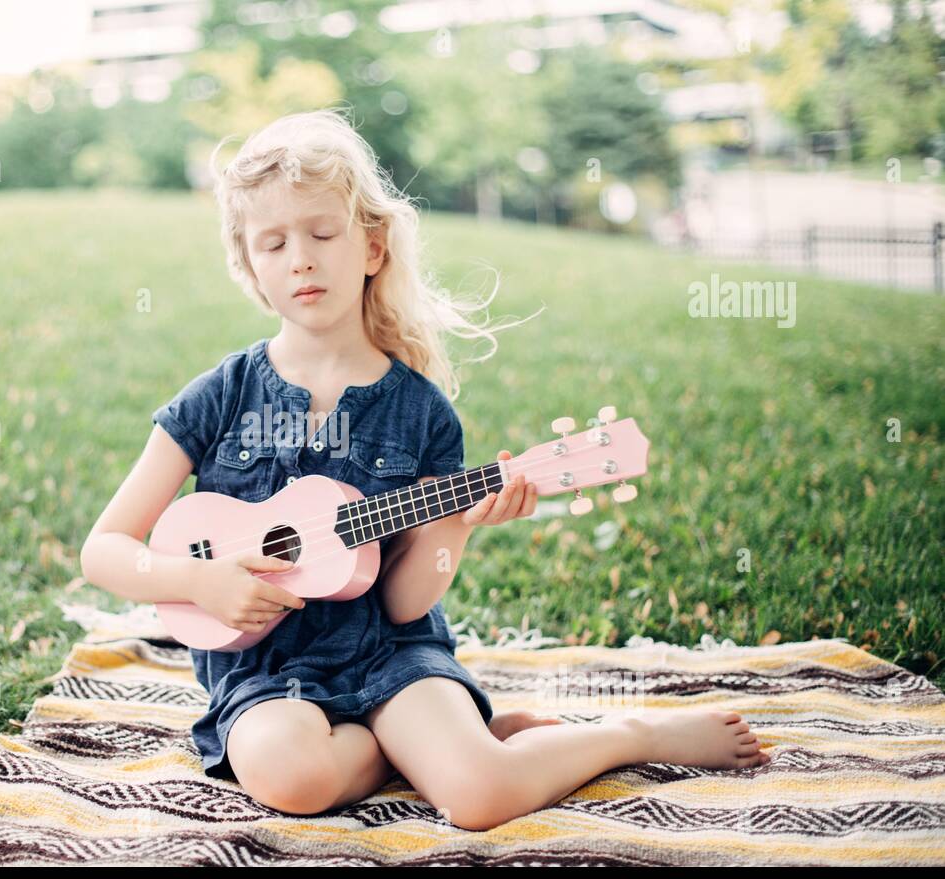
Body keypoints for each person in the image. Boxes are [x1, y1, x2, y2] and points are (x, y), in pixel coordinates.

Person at [80, 108, 770, 831]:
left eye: (322, 234)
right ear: (249, 266)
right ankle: (411, 754)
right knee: (289, 773)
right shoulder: (221, 394)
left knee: (481, 797)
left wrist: (455, 527)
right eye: (273, 243)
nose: (300, 259)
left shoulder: (420, 411)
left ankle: (626, 737)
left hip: (389, 655)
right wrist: (197, 581)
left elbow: (408, 603)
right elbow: (107, 548)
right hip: (266, 675)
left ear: (373, 247)